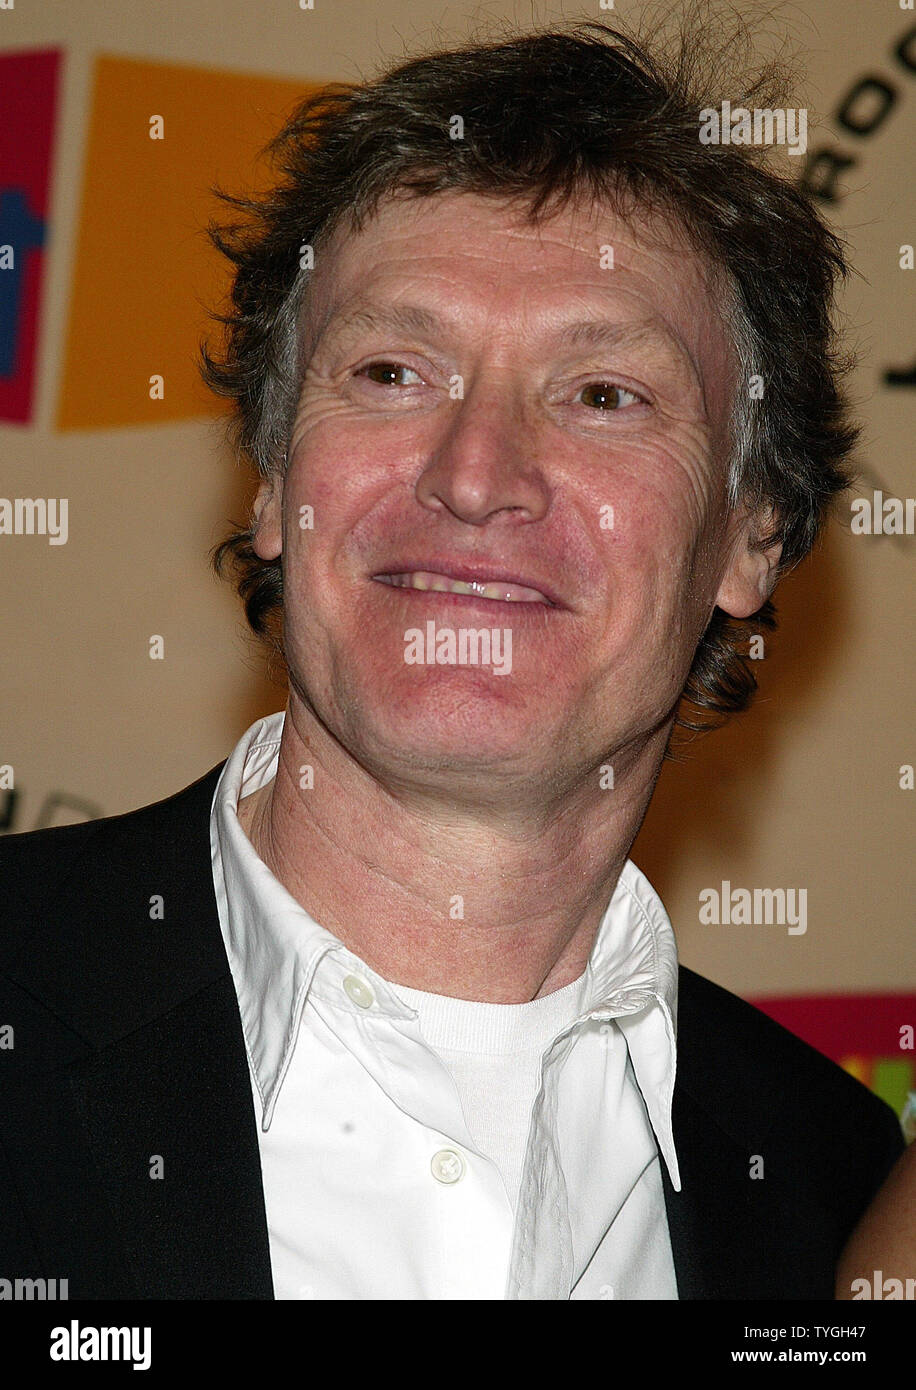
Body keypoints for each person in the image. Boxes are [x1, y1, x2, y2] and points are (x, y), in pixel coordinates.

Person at [0, 18, 904, 1300]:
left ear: (749, 536)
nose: (474, 475)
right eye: (391, 370)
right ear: (274, 477)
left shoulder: (827, 1188)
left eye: (603, 394)